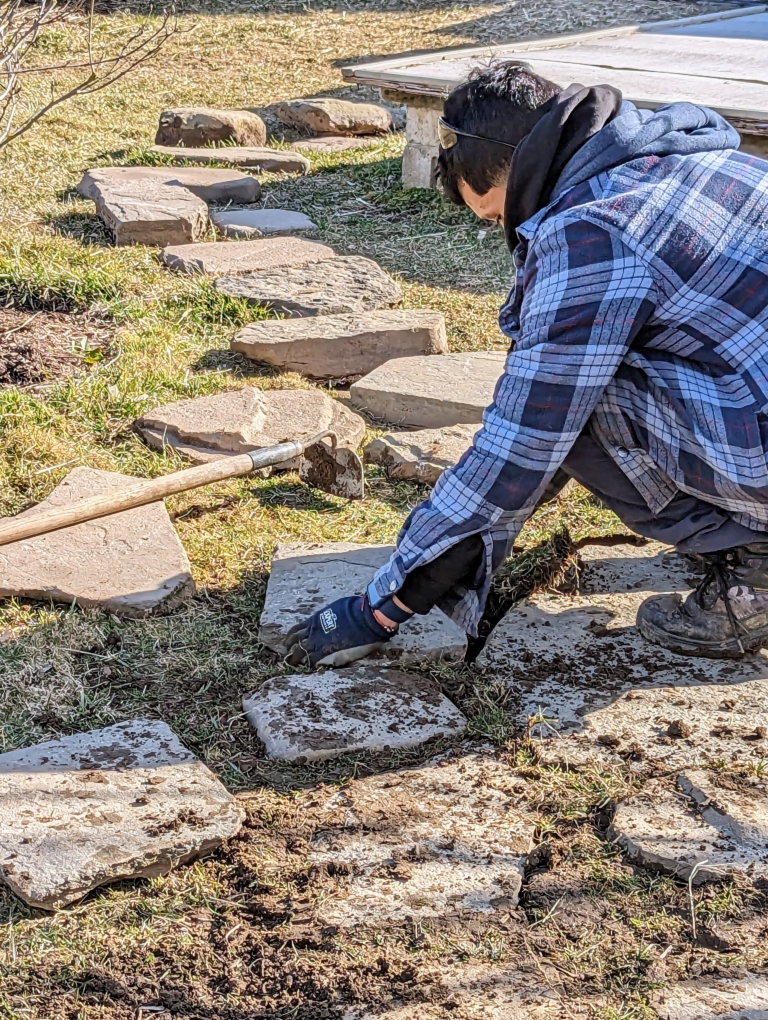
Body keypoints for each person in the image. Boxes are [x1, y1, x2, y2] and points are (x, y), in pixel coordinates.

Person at [285, 62, 768, 667]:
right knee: (584, 380)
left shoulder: (594, 229)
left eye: (494, 216)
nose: (507, 234)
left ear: (505, 168)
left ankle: (756, 570)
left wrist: (384, 603)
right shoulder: (701, 160)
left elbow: (524, 440)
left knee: (571, 406)